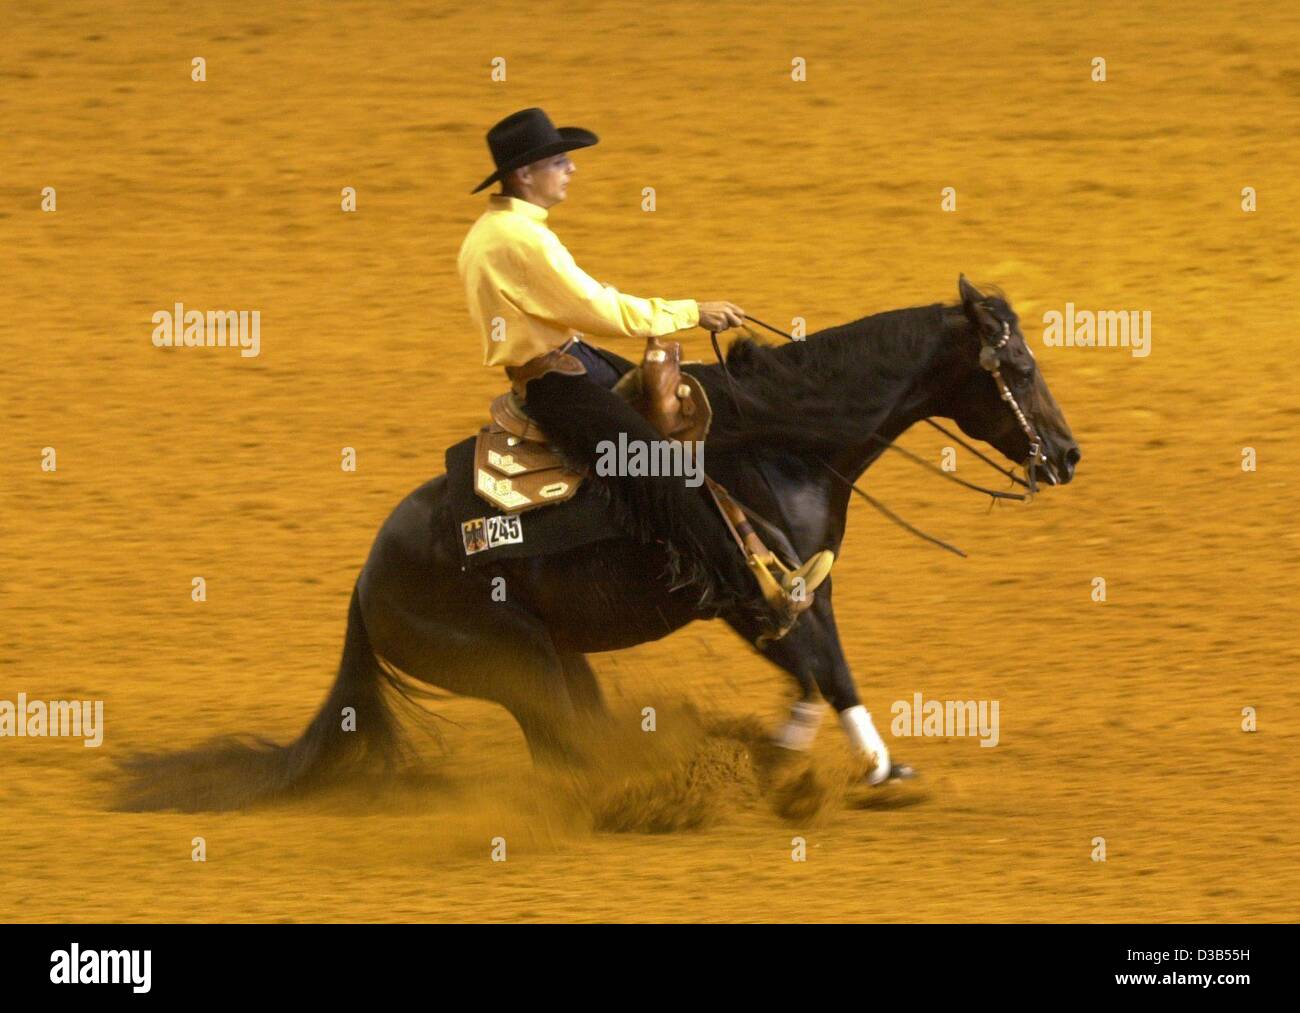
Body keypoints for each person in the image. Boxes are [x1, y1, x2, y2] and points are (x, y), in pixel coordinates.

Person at [457, 107, 832, 637]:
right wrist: (689, 311)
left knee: (685, 412)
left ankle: (753, 551)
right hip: (556, 385)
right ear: (525, 174)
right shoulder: (519, 239)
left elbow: (588, 303)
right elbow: (598, 309)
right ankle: (759, 598)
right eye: (560, 160)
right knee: (659, 465)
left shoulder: (496, 231)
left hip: (567, 360)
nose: (572, 169)